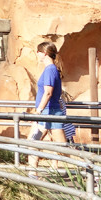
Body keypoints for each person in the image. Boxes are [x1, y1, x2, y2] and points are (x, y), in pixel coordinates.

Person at [28, 40, 66, 170]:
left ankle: (33, 174)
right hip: (51, 112)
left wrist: (38, 111)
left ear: (44, 53)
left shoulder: (50, 70)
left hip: (47, 113)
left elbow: (48, 92)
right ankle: (33, 173)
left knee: (33, 143)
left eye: (38, 52)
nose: (37, 54)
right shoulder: (52, 69)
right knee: (61, 145)